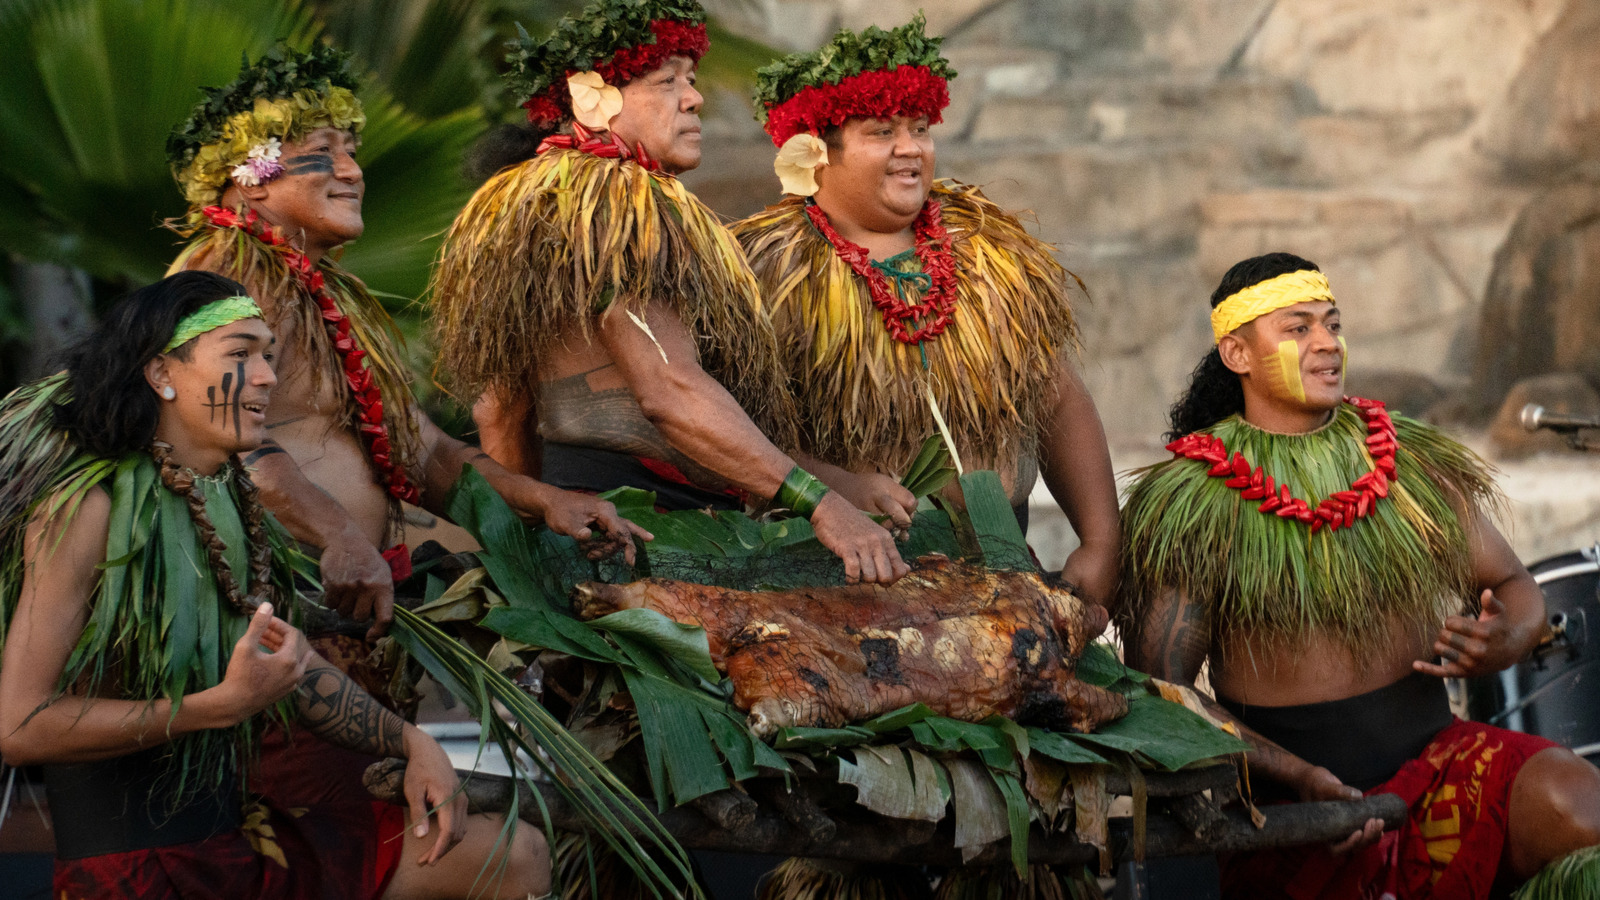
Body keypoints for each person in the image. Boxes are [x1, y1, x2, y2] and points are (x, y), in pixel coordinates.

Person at [0, 271, 548, 899]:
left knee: (509, 853)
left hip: (243, 840)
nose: (265, 377)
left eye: (268, 354)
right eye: (239, 354)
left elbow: (282, 658)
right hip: (138, 872)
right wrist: (216, 709)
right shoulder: (92, 508)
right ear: (161, 375)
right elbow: (20, 725)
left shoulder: (226, 496)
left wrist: (411, 739)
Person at [1116, 252, 1600, 897]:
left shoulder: (1400, 458)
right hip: (1292, 805)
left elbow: (1514, 586)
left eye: (1333, 325)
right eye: (1298, 328)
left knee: (1583, 811)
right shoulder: (1194, 504)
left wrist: (1507, 638)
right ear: (1237, 353)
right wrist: (1295, 774)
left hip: (1440, 768)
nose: (1326, 345)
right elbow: (1163, 692)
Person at [164, 43, 645, 649]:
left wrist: (549, 501)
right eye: (321, 156)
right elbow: (217, 439)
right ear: (249, 179)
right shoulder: (224, 276)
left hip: (348, 605)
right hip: (264, 612)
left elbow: (429, 455)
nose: (353, 172)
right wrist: (339, 535)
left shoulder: (325, 293)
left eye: (352, 153)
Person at [430, 0, 907, 586]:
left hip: (597, 520)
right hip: (642, 524)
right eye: (666, 82)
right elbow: (670, 394)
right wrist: (824, 505)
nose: (693, 97)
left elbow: (500, 408)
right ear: (591, 101)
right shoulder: (616, 206)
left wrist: (532, 549)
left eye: (691, 78)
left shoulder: (539, 206)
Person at [729, 15, 1120, 605]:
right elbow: (727, 430)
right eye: (882, 131)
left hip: (1001, 564)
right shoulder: (764, 270)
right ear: (814, 151)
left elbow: (1056, 395)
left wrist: (1100, 538)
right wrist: (832, 486)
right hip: (838, 577)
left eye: (919, 128)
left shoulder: (992, 252)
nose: (911, 148)